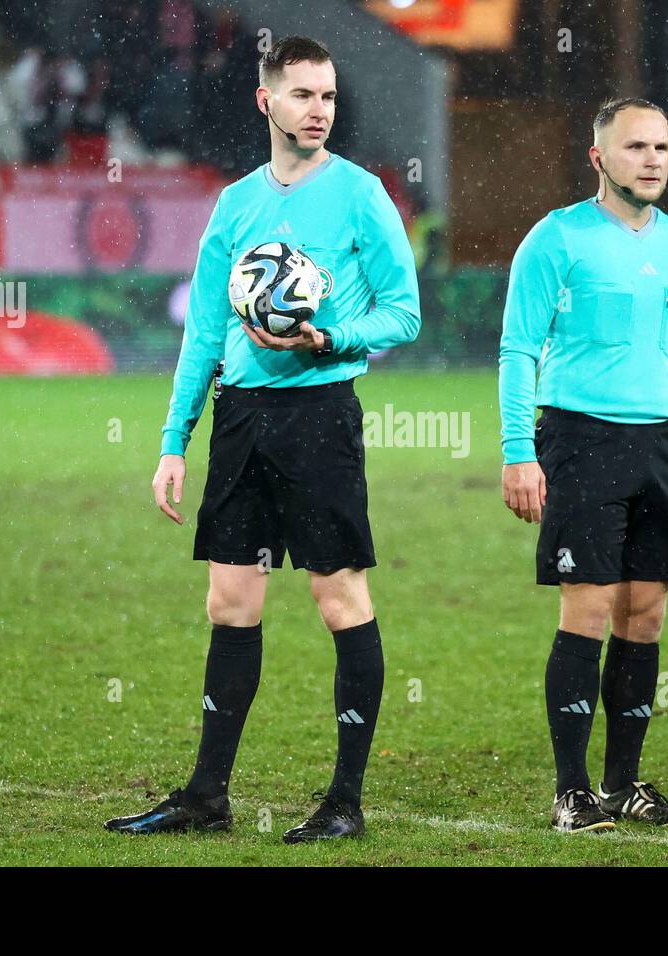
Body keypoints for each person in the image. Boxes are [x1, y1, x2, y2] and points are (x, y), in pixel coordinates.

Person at [105, 35, 420, 843]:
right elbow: (205, 331)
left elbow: (404, 312)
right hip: (242, 419)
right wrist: (175, 439)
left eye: (329, 97)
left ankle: (345, 803)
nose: (319, 110)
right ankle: (207, 797)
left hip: (319, 415)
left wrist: (330, 338)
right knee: (230, 600)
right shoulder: (237, 203)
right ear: (266, 101)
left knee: (338, 598)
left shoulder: (361, 195)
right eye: (304, 95)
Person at [498, 96, 668, 833]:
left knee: (645, 618)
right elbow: (518, 350)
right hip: (578, 441)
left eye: (663, 148)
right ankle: (571, 790)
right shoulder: (556, 240)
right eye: (636, 147)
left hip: (659, 446)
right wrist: (519, 452)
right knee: (585, 611)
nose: (652, 160)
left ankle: (623, 784)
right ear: (599, 158)